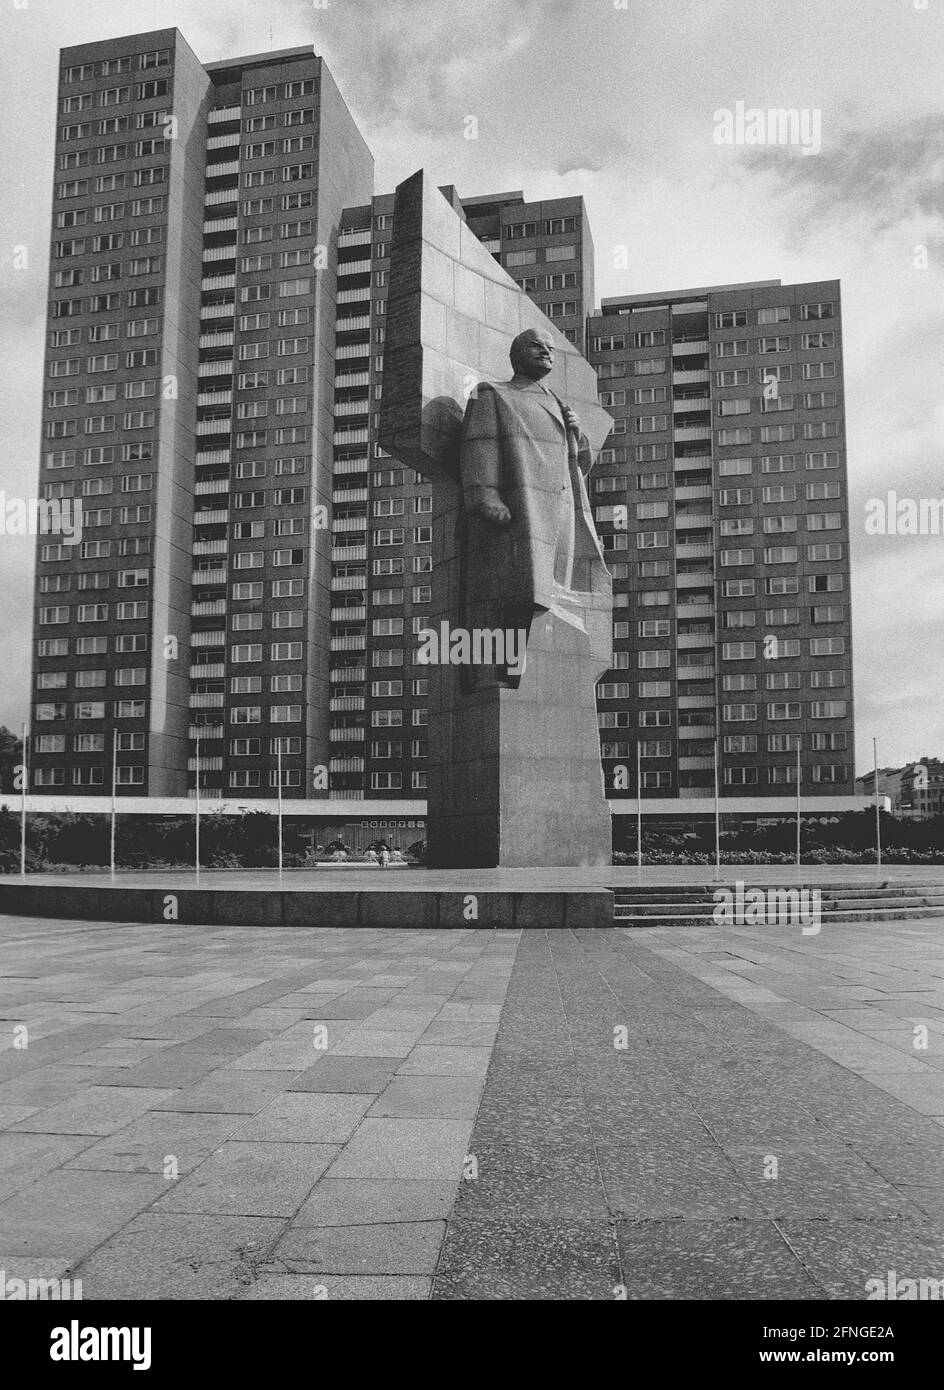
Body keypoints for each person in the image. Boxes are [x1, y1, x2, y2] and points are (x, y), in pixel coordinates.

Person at [457, 327, 611, 687]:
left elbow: (578, 467)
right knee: (518, 589)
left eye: (550, 348)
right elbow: (479, 445)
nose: (545, 352)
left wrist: (579, 436)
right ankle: (501, 671)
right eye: (535, 346)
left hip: (561, 510)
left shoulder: (558, 402)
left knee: (550, 592)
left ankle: (524, 670)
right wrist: (485, 495)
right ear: (515, 356)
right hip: (522, 509)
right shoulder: (493, 393)